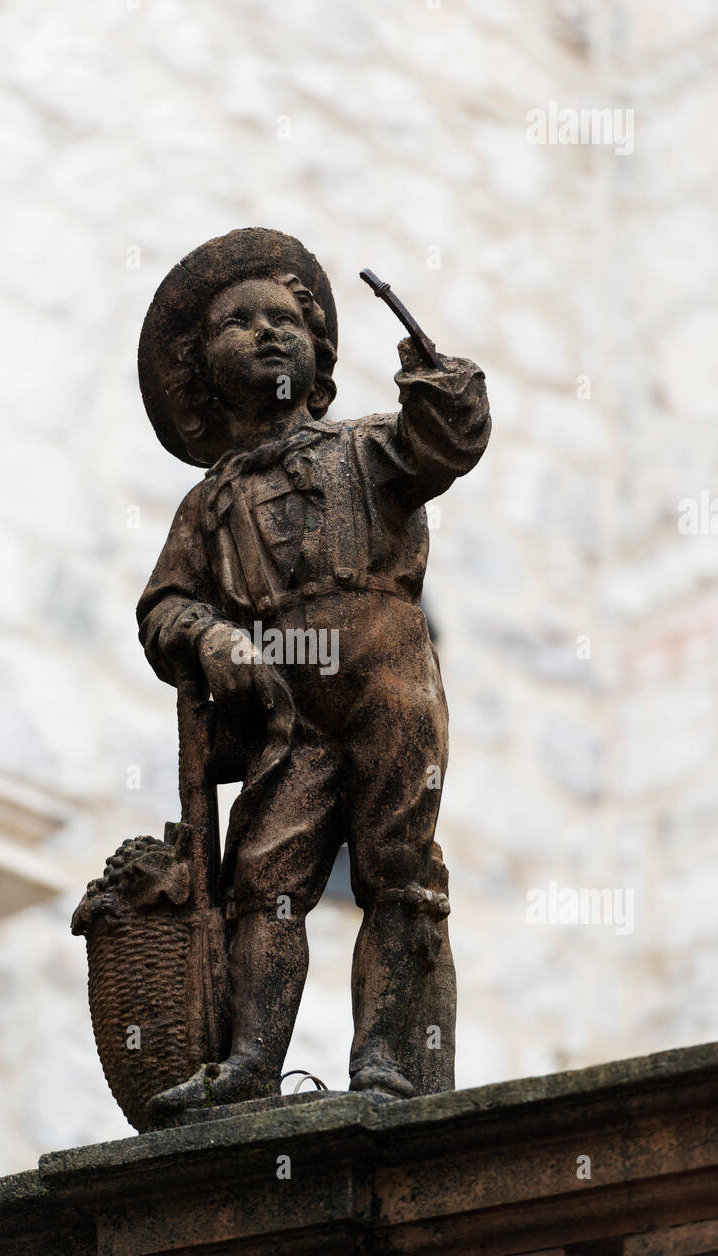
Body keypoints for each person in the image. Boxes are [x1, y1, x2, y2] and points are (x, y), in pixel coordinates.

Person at [135, 228, 491, 1111]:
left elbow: (444, 444)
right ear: (201, 369)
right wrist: (215, 641)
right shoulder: (210, 502)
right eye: (240, 322)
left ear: (320, 352)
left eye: (287, 318)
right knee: (266, 875)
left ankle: (387, 1058)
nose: (269, 332)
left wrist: (442, 387)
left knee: (397, 864)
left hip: (384, 675)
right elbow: (163, 608)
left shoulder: (371, 448)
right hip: (284, 704)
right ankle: (251, 1063)